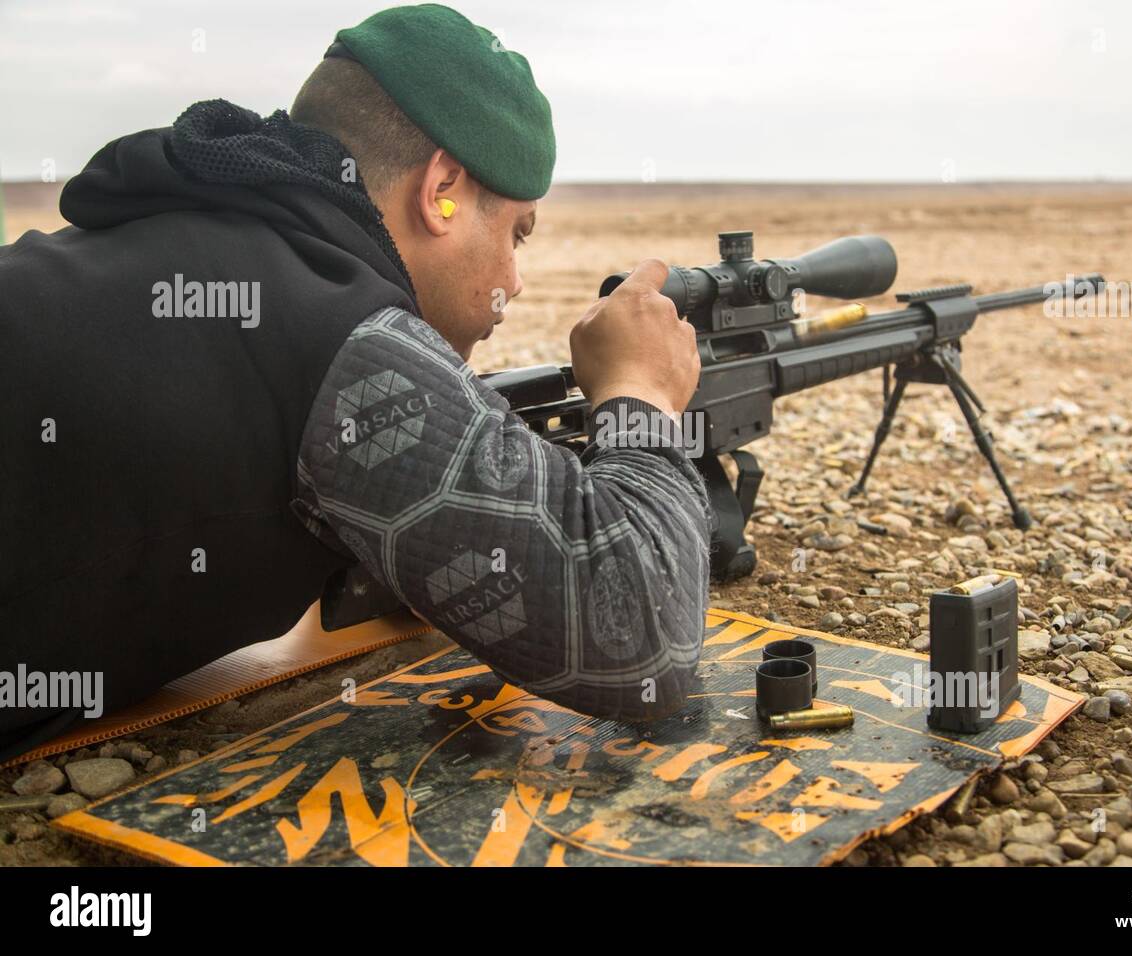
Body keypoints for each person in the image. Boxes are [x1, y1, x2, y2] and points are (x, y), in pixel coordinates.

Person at [0, 4, 710, 764]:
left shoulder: (202, 248)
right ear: (442, 189)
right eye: (516, 234)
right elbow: (640, 645)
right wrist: (640, 395)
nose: (515, 279)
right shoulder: (338, 330)